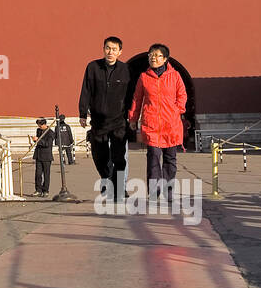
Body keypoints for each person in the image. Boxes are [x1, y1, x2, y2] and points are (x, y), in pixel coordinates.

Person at [129, 43, 187, 201]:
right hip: (152, 123)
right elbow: (137, 99)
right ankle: (154, 192)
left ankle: (168, 192)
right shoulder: (144, 77)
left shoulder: (175, 76)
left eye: (157, 55)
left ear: (165, 59)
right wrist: (133, 118)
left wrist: (177, 110)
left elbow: (182, 94)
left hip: (171, 124)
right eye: (151, 55)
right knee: (153, 157)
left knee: (170, 159)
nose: (153, 58)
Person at [79, 35, 131, 199]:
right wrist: (82, 113)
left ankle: (120, 189)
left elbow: (130, 95)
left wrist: (132, 115)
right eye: (108, 48)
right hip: (99, 121)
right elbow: (86, 91)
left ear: (120, 52)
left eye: (114, 49)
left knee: (119, 158)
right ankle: (107, 180)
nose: (110, 52)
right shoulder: (93, 67)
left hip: (119, 121)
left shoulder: (125, 70)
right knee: (100, 157)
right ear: (103, 49)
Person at [31, 117, 55, 197]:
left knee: (46, 174)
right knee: (38, 174)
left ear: (44, 124)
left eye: (40, 125)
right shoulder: (38, 131)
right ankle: (38, 190)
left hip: (46, 156)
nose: (39, 127)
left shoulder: (50, 133)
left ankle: (45, 190)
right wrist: (35, 140)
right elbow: (38, 141)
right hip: (38, 155)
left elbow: (47, 144)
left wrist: (38, 140)